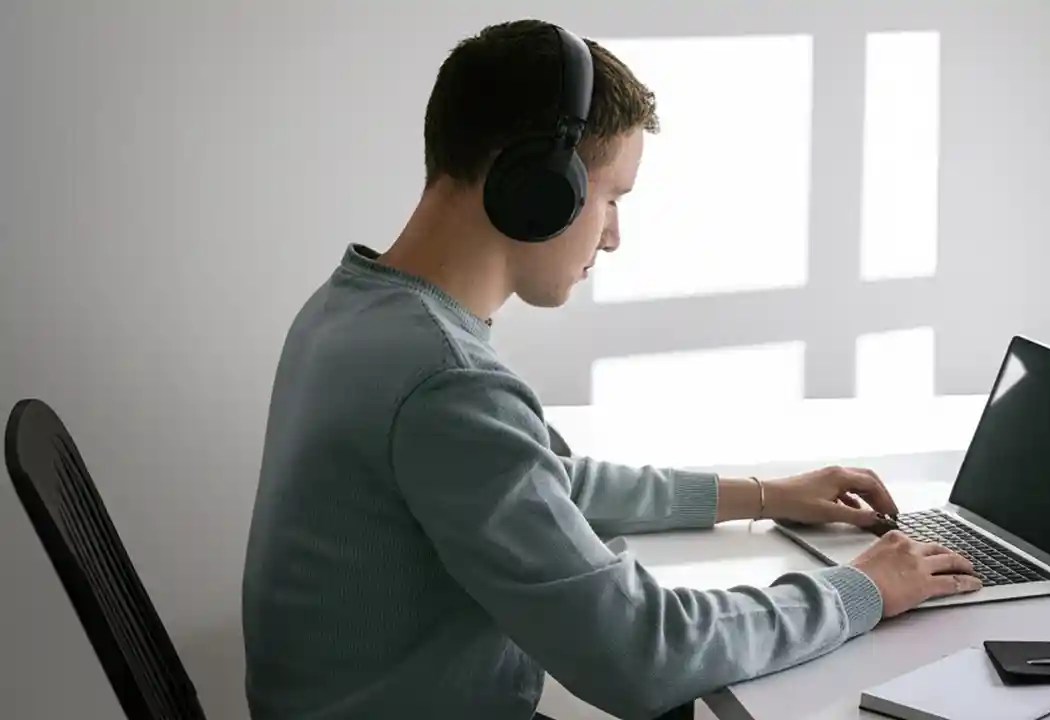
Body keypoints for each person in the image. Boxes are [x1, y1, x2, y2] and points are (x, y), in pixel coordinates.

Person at [240, 18, 981, 720]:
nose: (616, 236)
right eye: (611, 198)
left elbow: (542, 483)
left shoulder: (354, 309)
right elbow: (642, 655)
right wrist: (861, 590)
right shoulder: (445, 381)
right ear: (537, 187)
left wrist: (764, 494)